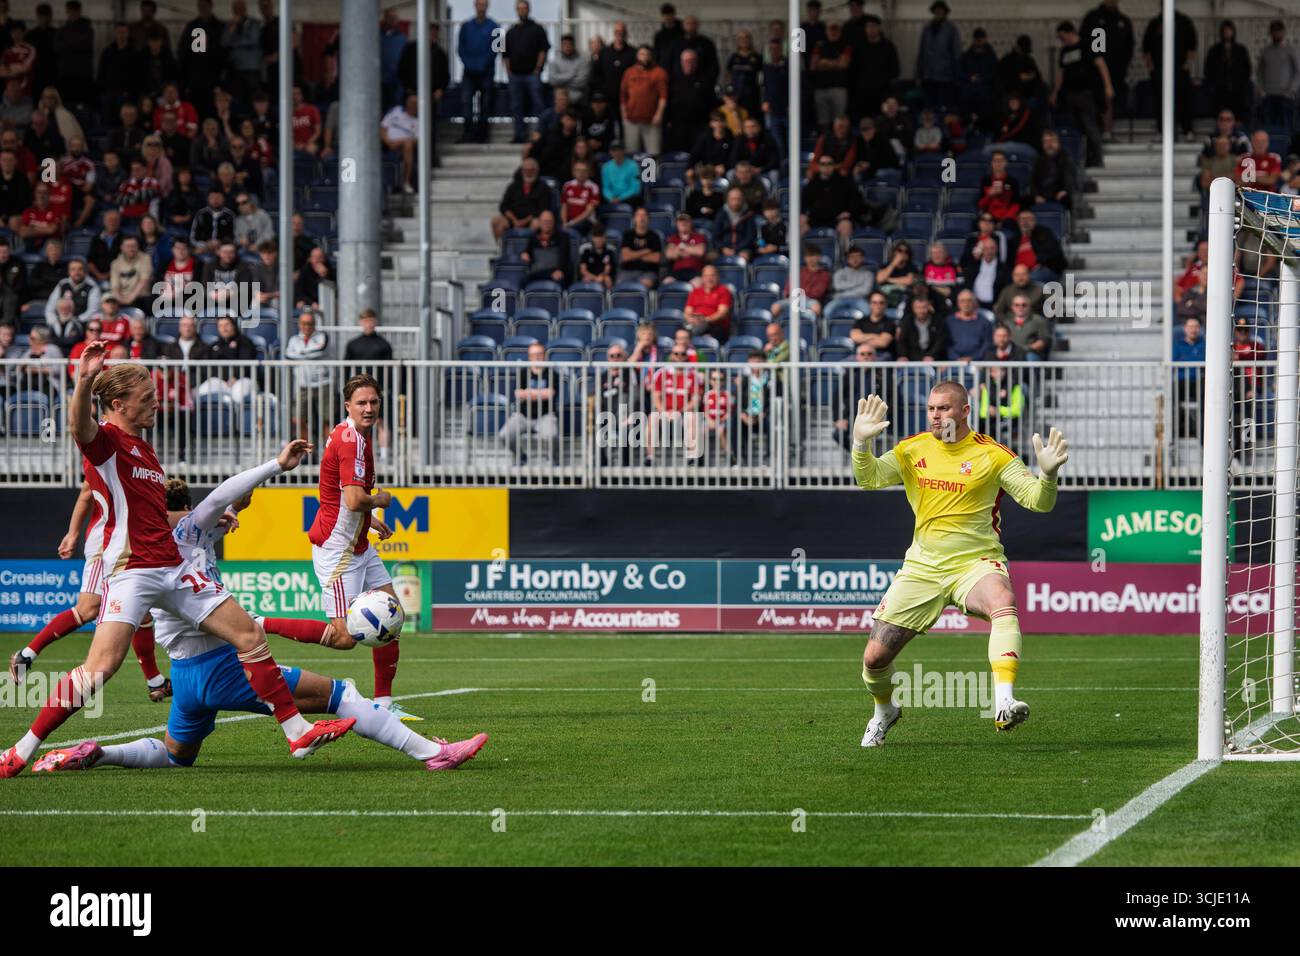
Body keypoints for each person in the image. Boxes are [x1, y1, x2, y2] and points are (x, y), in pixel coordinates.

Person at [1, 345, 356, 779]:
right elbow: (79, 425)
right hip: (132, 572)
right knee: (99, 670)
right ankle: (21, 750)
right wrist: (82, 380)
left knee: (247, 634)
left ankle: (297, 732)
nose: (156, 401)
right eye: (147, 396)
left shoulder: (144, 451)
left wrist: (194, 518)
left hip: (173, 568)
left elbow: (151, 513)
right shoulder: (107, 443)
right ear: (118, 404)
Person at [33, 446, 488, 775]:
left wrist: (155, 675)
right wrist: (273, 465)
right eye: (184, 510)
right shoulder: (181, 540)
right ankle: (433, 753)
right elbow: (219, 502)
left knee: (177, 754)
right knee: (341, 693)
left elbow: (230, 502)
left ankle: (98, 752)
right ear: (174, 511)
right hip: (218, 667)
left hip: (188, 674)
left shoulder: (150, 551)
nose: (195, 515)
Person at [850, 382, 1069, 745]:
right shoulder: (912, 449)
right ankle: (884, 710)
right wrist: (861, 444)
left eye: (944, 409)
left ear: (965, 411)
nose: (936, 416)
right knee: (874, 659)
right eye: (931, 409)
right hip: (923, 567)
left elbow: (1038, 503)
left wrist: (1047, 476)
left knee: (1003, 600)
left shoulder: (994, 455)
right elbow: (868, 478)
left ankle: (1003, 701)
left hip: (975, 563)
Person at [9, 473, 167, 700]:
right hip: (106, 544)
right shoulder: (105, 452)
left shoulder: (139, 454)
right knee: (87, 609)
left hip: (129, 544)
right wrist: (72, 534)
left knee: (140, 610)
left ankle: (155, 682)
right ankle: (26, 655)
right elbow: (86, 493)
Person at [1050, 21, 1110, 168]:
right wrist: (1055, 92)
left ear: (1071, 33)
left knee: (1090, 125)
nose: (1062, 40)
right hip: (1070, 94)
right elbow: (1061, 73)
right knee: (1077, 128)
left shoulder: (1087, 45)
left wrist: (1108, 85)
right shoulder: (1064, 51)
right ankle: (1084, 158)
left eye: (1063, 37)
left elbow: (1101, 64)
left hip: (1086, 93)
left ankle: (1097, 158)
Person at [500, 341, 559, 465]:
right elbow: (517, 394)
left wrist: (528, 393)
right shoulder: (523, 372)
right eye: (533, 354)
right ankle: (520, 456)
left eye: (539, 354)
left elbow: (550, 393)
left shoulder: (551, 373)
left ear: (544, 355)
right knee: (504, 435)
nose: (537, 357)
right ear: (529, 357)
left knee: (552, 435)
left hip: (545, 416)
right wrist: (539, 393)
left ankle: (552, 458)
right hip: (522, 416)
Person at [504, 0, 549, 143]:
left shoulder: (537, 29)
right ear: (516, 10)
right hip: (515, 76)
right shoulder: (510, 31)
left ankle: (540, 134)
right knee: (516, 106)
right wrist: (509, 71)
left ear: (529, 10)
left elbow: (543, 50)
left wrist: (537, 68)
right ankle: (519, 135)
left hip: (532, 75)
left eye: (524, 8)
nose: (522, 11)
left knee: (538, 105)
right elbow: (504, 54)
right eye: (519, 8)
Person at [457, 0, 498, 144]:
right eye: (479, 4)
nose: (481, 7)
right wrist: (469, 64)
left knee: (485, 104)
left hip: (486, 72)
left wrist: (483, 64)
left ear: (487, 6)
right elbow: (460, 48)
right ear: (475, 6)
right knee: (466, 102)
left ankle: (483, 135)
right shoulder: (465, 26)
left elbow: (498, 49)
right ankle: (468, 133)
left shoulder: (495, 26)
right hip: (469, 72)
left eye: (484, 4)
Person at [620, 45, 668, 155]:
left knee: (653, 154)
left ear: (651, 57)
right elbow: (623, 96)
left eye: (647, 54)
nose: (644, 57)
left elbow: (663, 97)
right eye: (642, 54)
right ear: (637, 56)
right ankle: (634, 173)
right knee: (632, 155)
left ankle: (652, 173)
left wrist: (659, 114)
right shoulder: (629, 72)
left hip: (652, 121)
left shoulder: (659, 72)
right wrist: (624, 116)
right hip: (631, 120)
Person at [682, 264, 732, 340]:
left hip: (714, 326)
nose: (709, 279)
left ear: (718, 276)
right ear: (702, 278)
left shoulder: (723, 291)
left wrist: (705, 320)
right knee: (681, 331)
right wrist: (690, 319)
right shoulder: (695, 292)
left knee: (693, 334)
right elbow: (687, 311)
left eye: (712, 275)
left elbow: (722, 313)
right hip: (696, 324)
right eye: (706, 276)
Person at [618, 205, 663, 287]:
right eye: (639, 215)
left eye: (644, 215)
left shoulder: (654, 236)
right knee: (621, 285)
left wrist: (633, 255)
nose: (641, 218)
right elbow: (625, 257)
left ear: (648, 219)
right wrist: (647, 251)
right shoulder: (627, 235)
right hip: (627, 271)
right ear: (634, 219)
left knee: (644, 285)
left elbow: (656, 258)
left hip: (648, 272)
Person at [578, 222, 617, 289]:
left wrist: (601, 276)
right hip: (590, 276)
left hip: (602, 277)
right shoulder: (586, 250)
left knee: (608, 279)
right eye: (596, 237)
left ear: (604, 238)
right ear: (593, 238)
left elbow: (607, 269)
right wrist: (594, 278)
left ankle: (608, 298)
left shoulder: (609, 251)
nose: (598, 240)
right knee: (585, 279)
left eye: (601, 237)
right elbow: (583, 270)